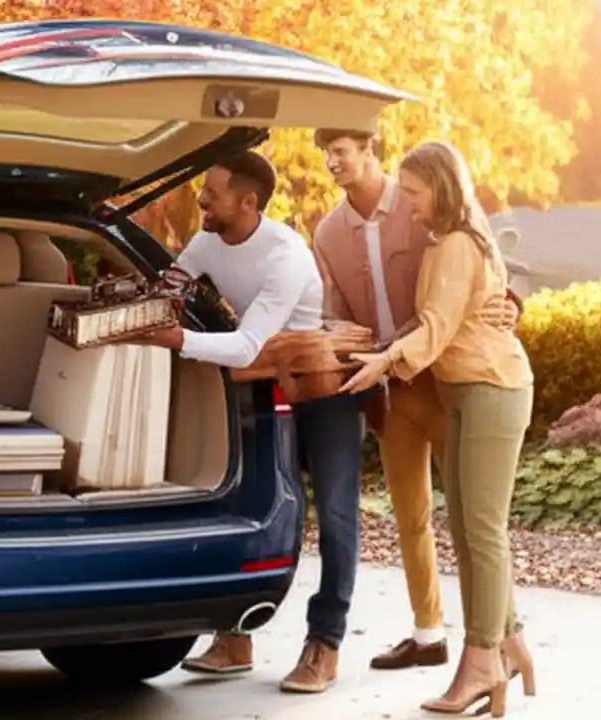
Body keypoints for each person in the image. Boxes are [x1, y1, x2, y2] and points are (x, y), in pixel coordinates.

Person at [144, 150, 364, 695]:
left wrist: (177, 340)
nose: (200, 201)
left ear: (247, 202)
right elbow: (166, 291)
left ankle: (325, 643)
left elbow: (245, 346)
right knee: (246, 505)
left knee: (335, 515)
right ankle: (235, 636)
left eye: (211, 193)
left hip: (320, 390)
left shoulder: (283, 257)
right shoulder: (206, 240)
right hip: (262, 387)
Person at [341, 140, 536, 717]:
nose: (410, 205)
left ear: (442, 187)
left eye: (417, 194)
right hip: (471, 390)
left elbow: (437, 326)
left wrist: (384, 361)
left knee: (482, 531)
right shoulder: (455, 240)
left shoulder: (455, 244)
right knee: (473, 532)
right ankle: (508, 644)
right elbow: (460, 311)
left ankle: (482, 663)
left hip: (489, 389)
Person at [310, 127, 452, 670]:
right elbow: (339, 314)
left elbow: (471, 263)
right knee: (409, 515)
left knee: (470, 517)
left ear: (371, 151)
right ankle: (429, 633)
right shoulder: (328, 233)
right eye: (325, 153)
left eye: (340, 151)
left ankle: (494, 639)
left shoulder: (420, 204)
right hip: (391, 393)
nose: (331, 162)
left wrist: (507, 300)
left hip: (443, 379)